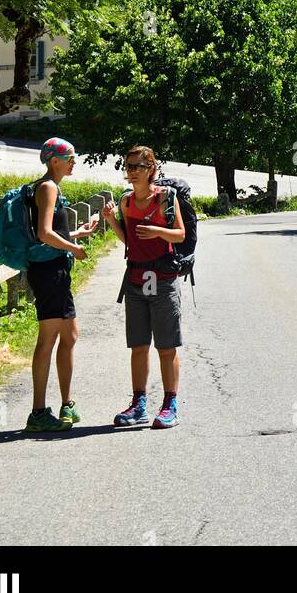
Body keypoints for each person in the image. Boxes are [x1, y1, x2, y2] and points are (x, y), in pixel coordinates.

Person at [104, 146, 186, 430]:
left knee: (166, 347)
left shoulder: (165, 198)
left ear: (151, 168)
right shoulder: (126, 201)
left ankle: (169, 404)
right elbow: (129, 240)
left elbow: (180, 234)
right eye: (128, 166)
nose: (131, 171)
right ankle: (138, 404)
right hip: (136, 280)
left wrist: (158, 231)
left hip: (163, 280)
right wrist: (112, 221)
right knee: (138, 347)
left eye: (137, 166)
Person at [25, 137, 99, 433]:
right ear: (54, 160)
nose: (73, 162)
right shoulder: (47, 187)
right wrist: (73, 248)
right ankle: (38, 412)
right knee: (48, 340)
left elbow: (52, 232)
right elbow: (44, 234)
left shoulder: (48, 187)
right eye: (69, 157)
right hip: (48, 273)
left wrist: (76, 234)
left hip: (54, 271)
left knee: (69, 335)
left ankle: (67, 403)